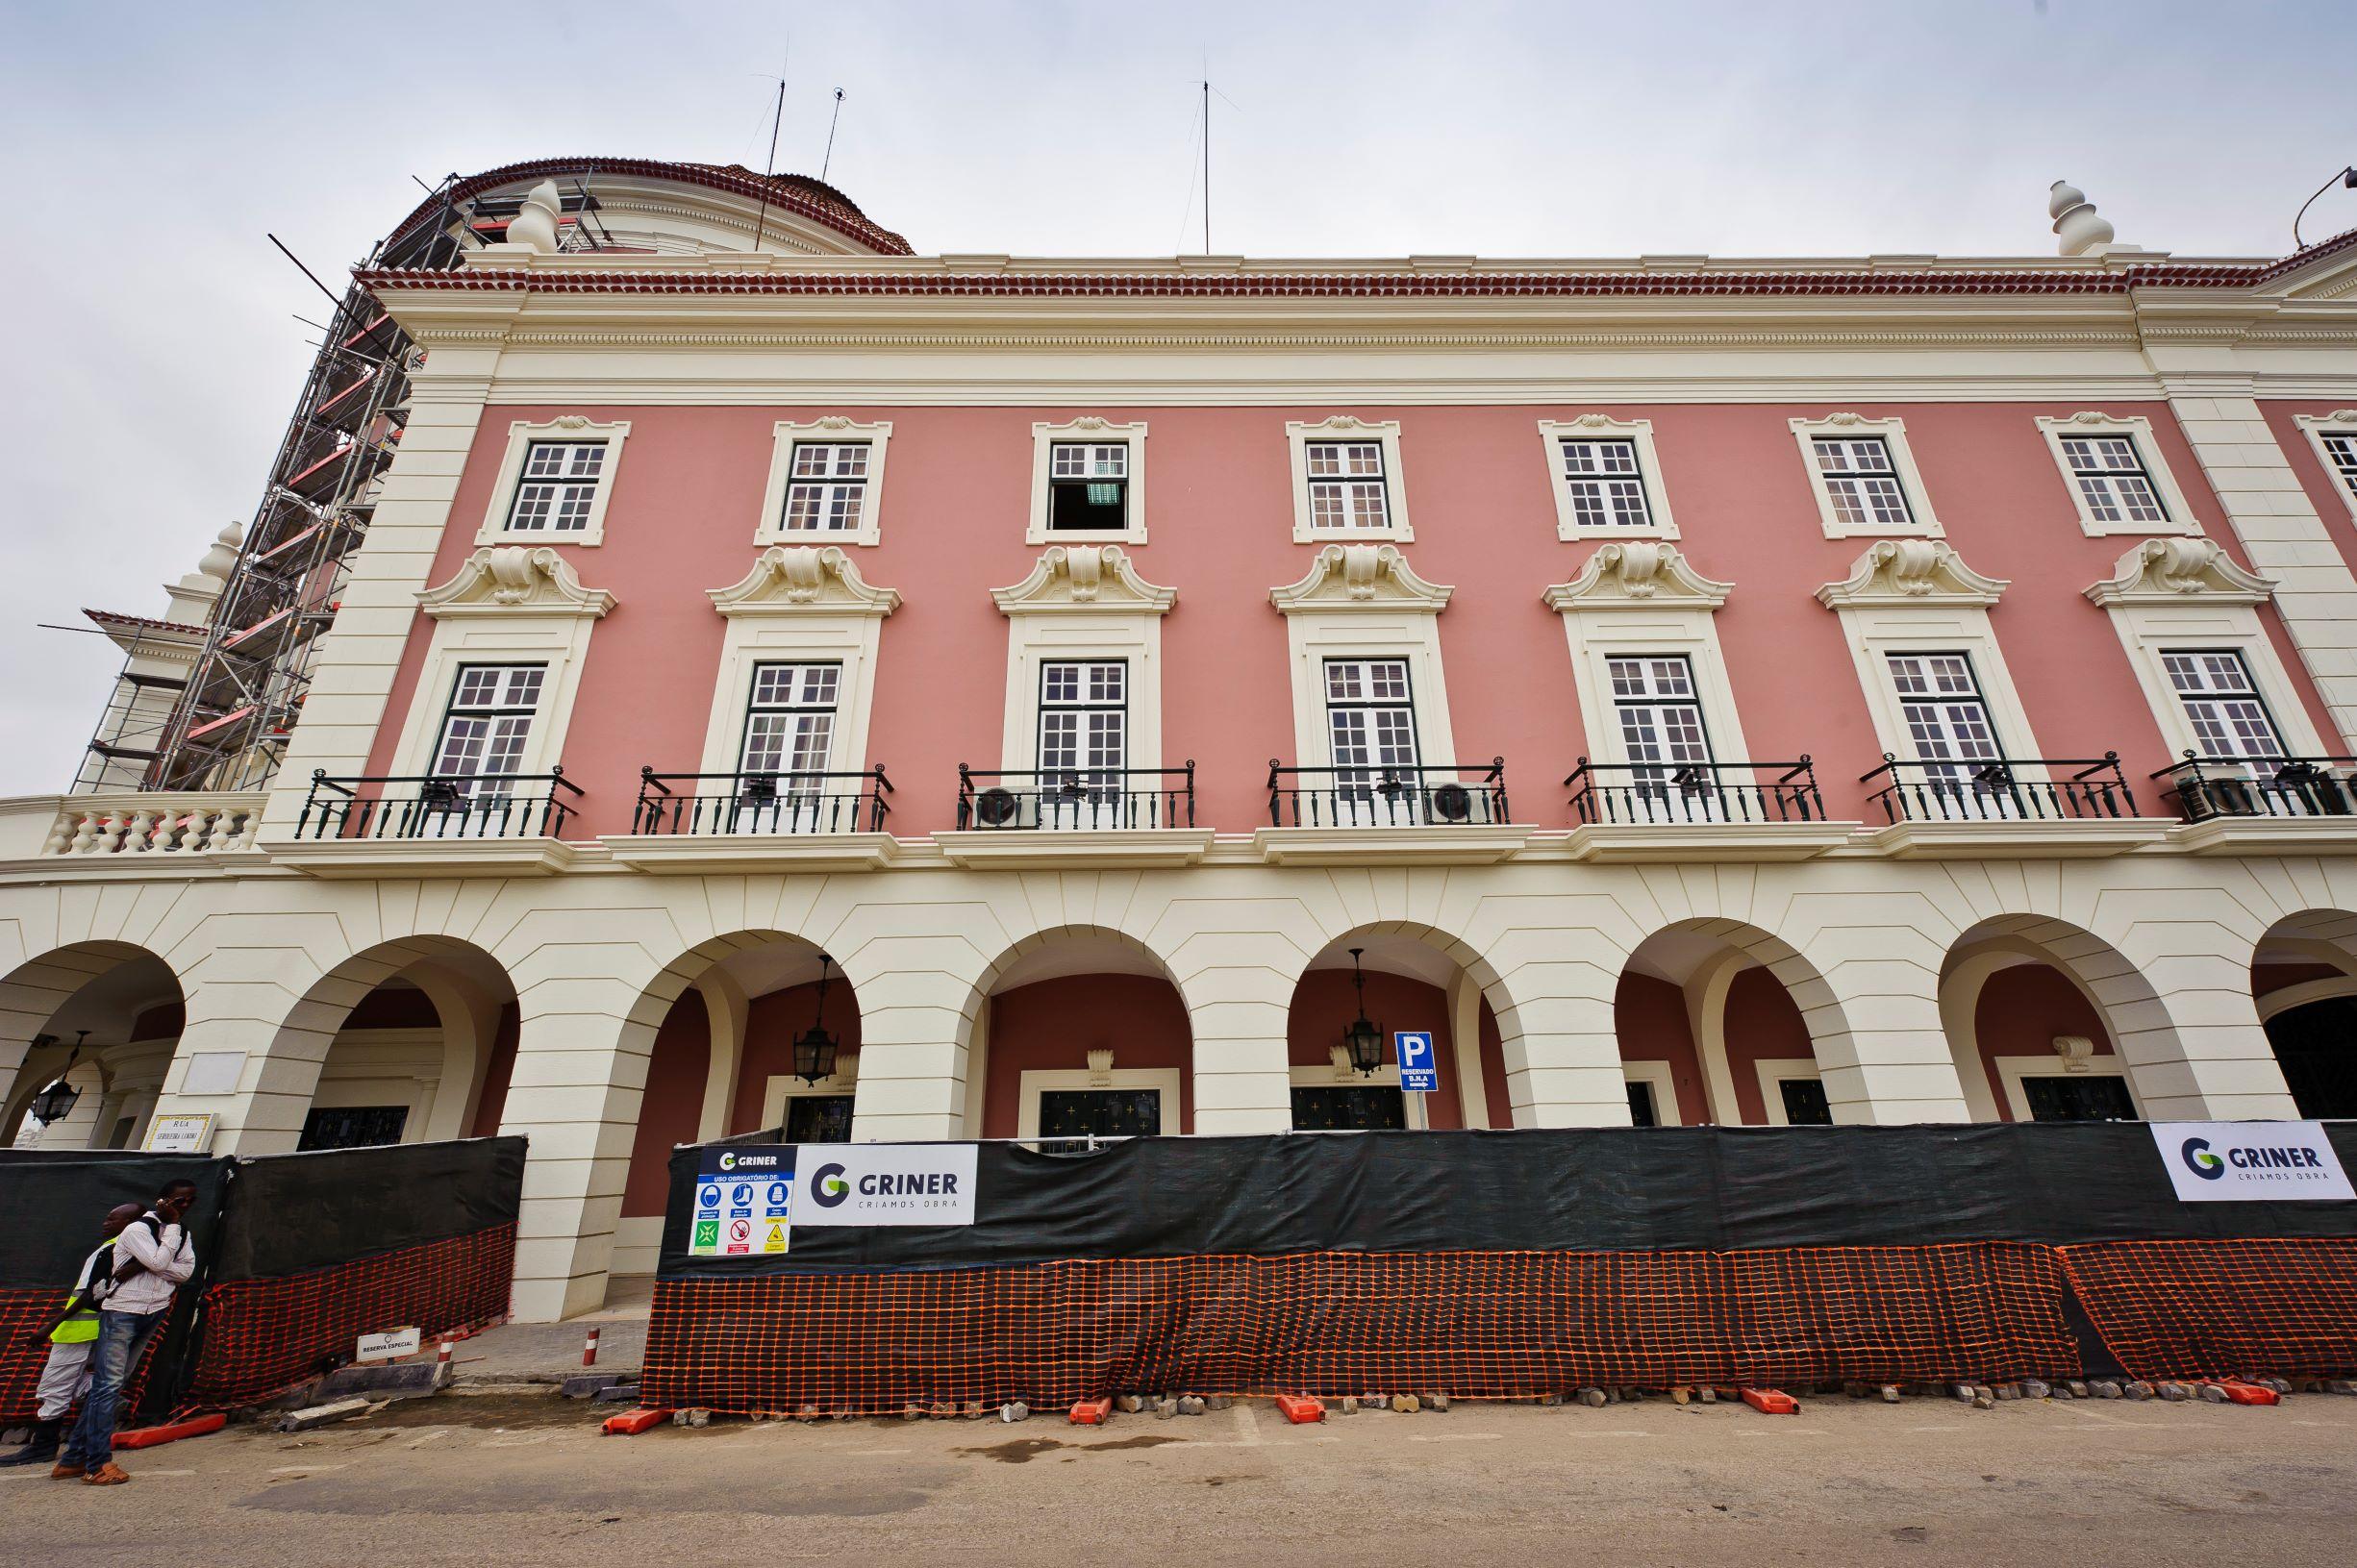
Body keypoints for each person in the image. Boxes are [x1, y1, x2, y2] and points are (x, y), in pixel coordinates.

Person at [53, 1178, 196, 1485]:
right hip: (123, 1312)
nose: (183, 1207)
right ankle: (97, 1464)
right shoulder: (136, 1230)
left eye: (189, 1202)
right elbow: (160, 1261)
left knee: (110, 1386)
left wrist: (153, 1264)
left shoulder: (182, 1234)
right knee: (107, 1386)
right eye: (178, 1201)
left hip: (153, 1310)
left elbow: (185, 1272)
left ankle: (73, 1459)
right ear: (163, 1201)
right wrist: (160, 1257)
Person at [0, 1202, 143, 1469]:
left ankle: (42, 1447)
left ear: (131, 1223)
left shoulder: (114, 1248)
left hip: (78, 1331)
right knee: (86, 1382)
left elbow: (92, 1293)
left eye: (113, 1219)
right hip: (99, 1330)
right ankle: (106, 1400)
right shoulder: (131, 1249)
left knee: (53, 1387)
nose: (106, 1222)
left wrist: (50, 1326)